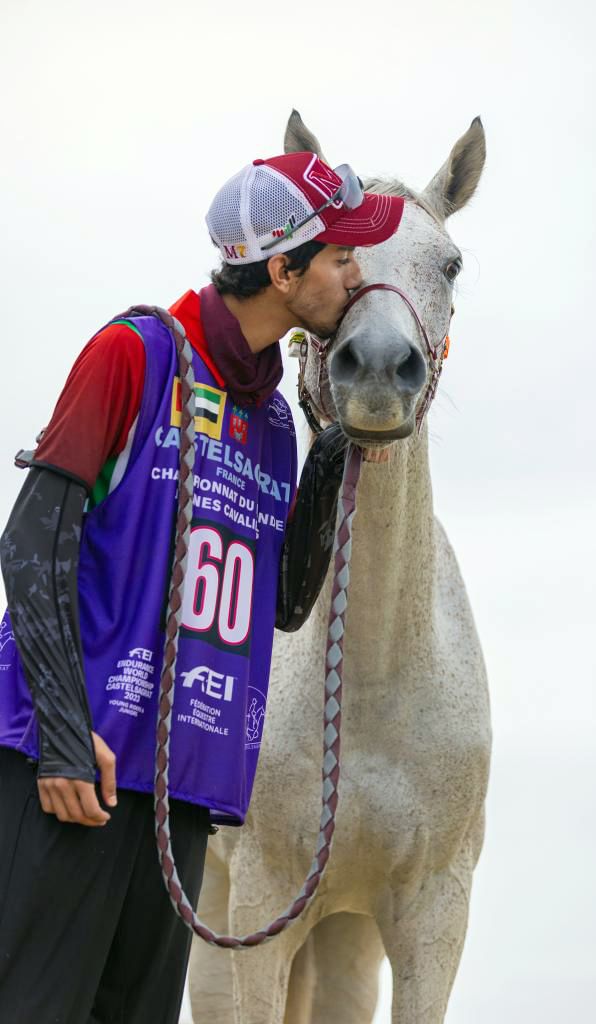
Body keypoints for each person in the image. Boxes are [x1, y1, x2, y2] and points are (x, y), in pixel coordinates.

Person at [0, 152, 404, 1023]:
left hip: (178, 785)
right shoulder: (132, 354)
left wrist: (334, 447)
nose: (354, 276)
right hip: (69, 767)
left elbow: (282, 605)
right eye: (339, 257)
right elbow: (30, 543)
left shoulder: (270, 419)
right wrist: (65, 735)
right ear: (283, 269)